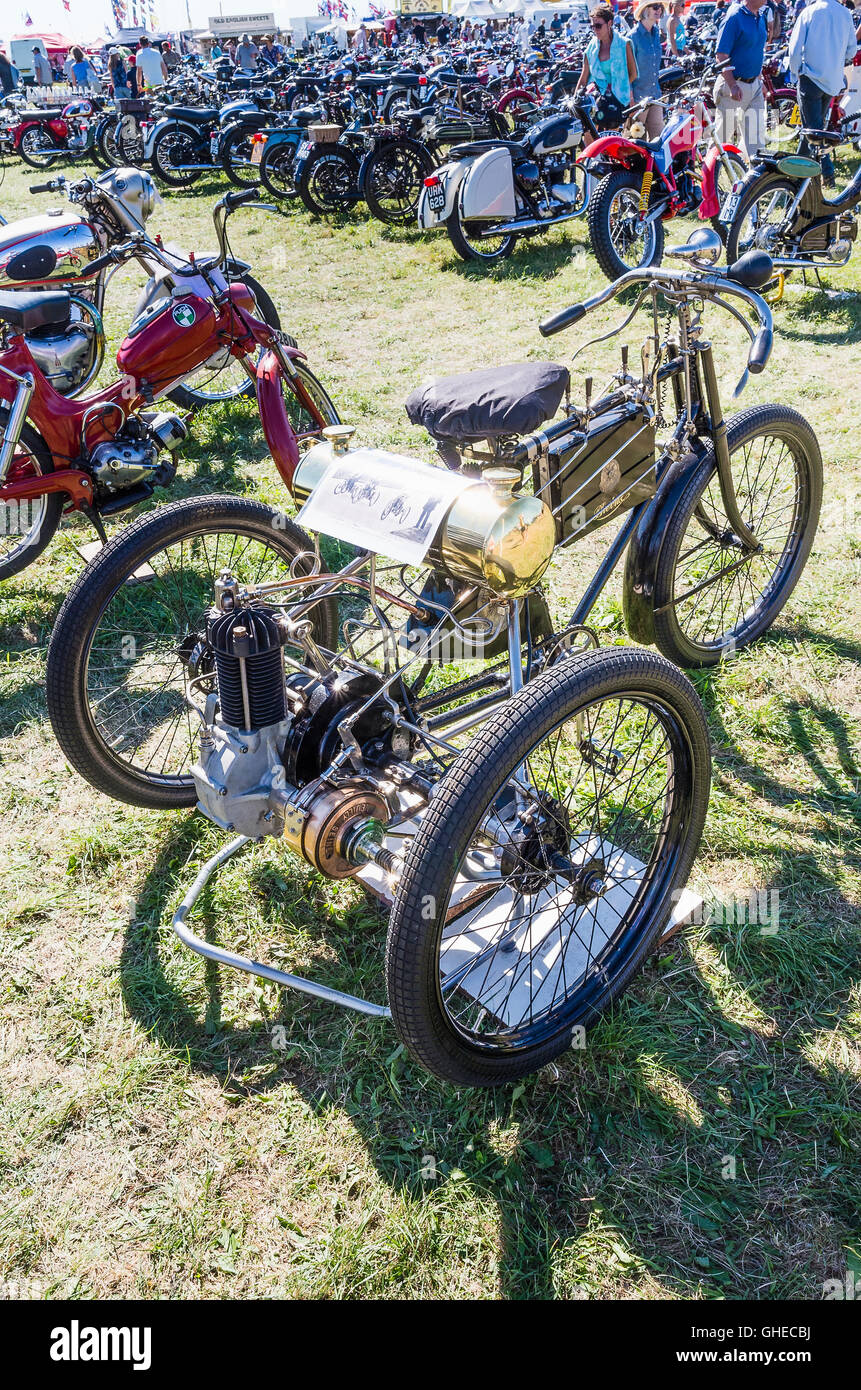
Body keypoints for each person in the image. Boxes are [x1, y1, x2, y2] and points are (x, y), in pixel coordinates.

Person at [789, 0, 857, 184]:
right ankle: (813, 175)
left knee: (812, 132)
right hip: (832, 81)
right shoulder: (845, 14)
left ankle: (813, 175)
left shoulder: (809, 12)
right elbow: (851, 50)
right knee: (816, 129)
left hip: (810, 79)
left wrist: (796, 73)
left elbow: (794, 50)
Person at [713, 0, 770, 161]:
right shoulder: (734, 16)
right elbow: (721, 55)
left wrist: (760, 80)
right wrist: (732, 85)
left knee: (755, 135)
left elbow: (755, 51)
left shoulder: (760, 16)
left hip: (754, 85)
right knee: (723, 135)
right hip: (734, 85)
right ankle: (709, 174)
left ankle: (752, 177)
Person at [576, 3, 637, 121]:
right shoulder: (591, 47)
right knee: (590, 136)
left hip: (617, 100)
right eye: (592, 26)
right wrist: (575, 100)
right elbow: (584, 78)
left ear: (610, 23)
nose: (594, 30)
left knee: (610, 138)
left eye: (598, 26)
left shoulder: (624, 44)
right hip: (595, 99)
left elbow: (633, 74)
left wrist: (616, 88)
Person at [630, 2, 666, 138]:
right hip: (638, 98)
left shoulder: (656, 33)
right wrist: (631, 99)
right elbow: (627, 71)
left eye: (660, 7)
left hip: (655, 94)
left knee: (658, 139)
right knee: (635, 142)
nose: (659, 10)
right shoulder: (633, 36)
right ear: (645, 10)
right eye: (655, 7)